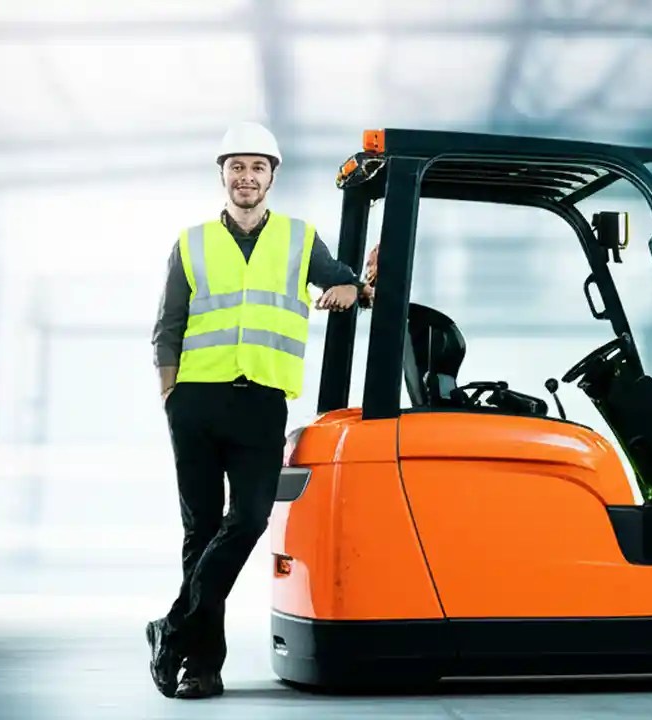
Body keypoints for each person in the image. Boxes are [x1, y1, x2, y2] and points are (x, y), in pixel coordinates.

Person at [146, 120, 371, 699]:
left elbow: (343, 284)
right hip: (196, 401)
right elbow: (168, 326)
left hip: (261, 400)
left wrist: (354, 287)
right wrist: (171, 397)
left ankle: (172, 627)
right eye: (237, 167)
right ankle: (202, 668)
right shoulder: (192, 242)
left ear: (272, 176)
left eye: (257, 167)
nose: (246, 177)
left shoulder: (299, 238)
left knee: (248, 518)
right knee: (200, 531)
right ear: (222, 175)